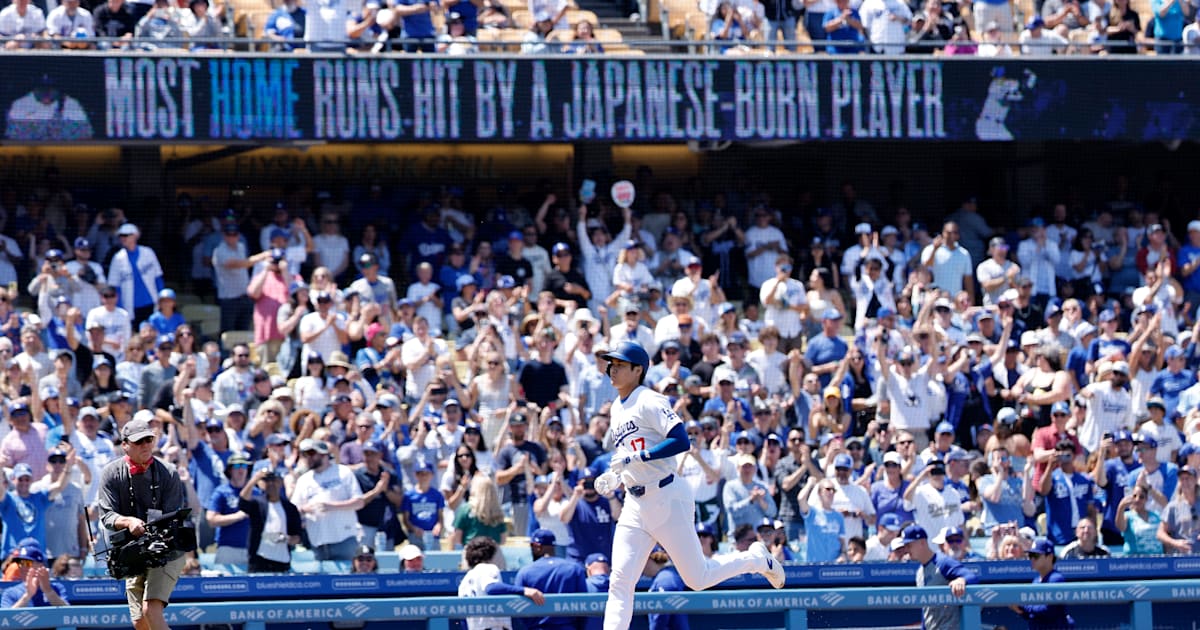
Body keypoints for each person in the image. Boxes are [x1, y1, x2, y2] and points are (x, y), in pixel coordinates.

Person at [598, 340, 783, 630]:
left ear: (638, 370)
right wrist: (618, 476)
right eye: (611, 363)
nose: (612, 369)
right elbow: (630, 454)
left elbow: (681, 440)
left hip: (666, 495)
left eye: (620, 364)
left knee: (698, 579)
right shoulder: (616, 409)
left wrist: (639, 457)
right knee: (620, 582)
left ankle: (755, 560)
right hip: (634, 504)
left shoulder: (650, 400)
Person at [97, 417, 188, 630]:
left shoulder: (168, 472)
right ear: (125, 445)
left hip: (165, 549)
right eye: (138, 442)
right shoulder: (111, 473)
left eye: (149, 440)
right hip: (132, 552)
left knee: (151, 610)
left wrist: (149, 531)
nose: (145, 445)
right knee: (140, 622)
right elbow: (107, 516)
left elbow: (173, 517)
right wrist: (128, 522)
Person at [291, 438, 368, 561]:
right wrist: (305, 509)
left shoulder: (343, 472)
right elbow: (293, 510)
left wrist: (332, 506)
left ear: (323, 454)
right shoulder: (303, 480)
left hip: (344, 539)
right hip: (318, 543)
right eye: (304, 454)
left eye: (311, 453)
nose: (307, 458)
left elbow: (359, 502)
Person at [896, 525, 976, 630]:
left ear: (922, 543)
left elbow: (971, 577)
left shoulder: (942, 562)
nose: (906, 550)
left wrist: (961, 580)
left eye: (909, 545)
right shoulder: (919, 572)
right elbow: (926, 610)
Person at [237, 469, 301, 574]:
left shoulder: (290, 508)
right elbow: (243, 502)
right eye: (267, 481)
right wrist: (254, 480)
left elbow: (297, 535)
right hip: (259, 560)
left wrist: (286, 539)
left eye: (274, 481)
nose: (271, 484)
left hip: (282, 561)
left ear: (280, 482)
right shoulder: (257, 504)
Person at [106, 223, 164, 327]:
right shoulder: (118, 258)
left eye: (126, 235)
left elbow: (158, 278)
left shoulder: (148, 252)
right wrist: (120, 309)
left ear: (135, 236)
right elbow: (115, 286)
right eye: (121, 236)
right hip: (130, 306)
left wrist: (162, 299)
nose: (123, 238)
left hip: (151, 302)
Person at [1010, 538, 1075, 629]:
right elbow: (1032, 615)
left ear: (1050, 557)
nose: (1032, 559)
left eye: (1036, 556)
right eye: (1030, 555)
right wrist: (1019, 609)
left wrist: (1022, 606)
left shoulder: (1056, 579)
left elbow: (1048, 611)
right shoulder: (1036, 581)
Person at [459, 535, 521, 630]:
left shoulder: (464, 581)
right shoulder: (488, 568)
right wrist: (524, 590)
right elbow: (491, 588)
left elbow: (463, 620)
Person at [0, 539, 68, 608]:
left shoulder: (57, 588)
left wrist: (48, 591)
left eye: (27, 563)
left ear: (40, 565)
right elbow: (8, 614)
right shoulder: (10, 592)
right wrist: (27, 595)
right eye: (20, 563)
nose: (22, 567)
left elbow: (67, 612)